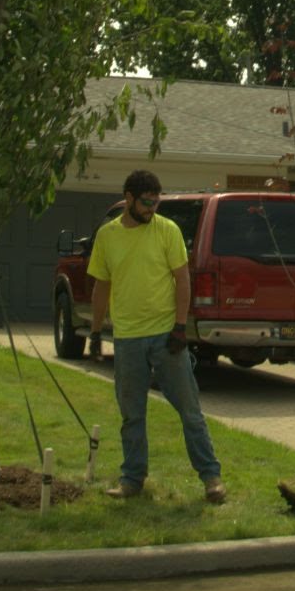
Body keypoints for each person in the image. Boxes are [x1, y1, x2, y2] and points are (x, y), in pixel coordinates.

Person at [87, 169, 226, 503]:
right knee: (132, 413)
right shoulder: (107, 236)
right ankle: (132, 479)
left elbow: (182, 279)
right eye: (147, 203)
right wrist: (94, 332)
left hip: (166, 336)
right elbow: (101, 286)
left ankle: (211, 478)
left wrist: (180, 327)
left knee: (189, 410)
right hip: (128, 338)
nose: (152, 209)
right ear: (130, 199)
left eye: (156, 203)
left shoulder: (167, 230)